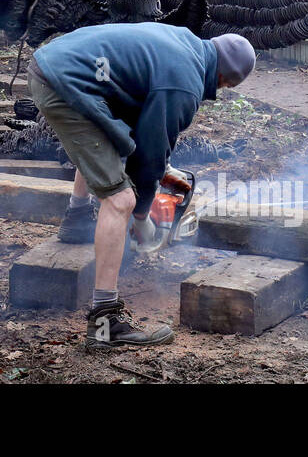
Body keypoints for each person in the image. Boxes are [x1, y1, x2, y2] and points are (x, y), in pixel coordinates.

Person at [27, 23, 256, 349]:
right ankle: (105, 323)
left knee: (106, 143)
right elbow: (147, 158)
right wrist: (142, 219)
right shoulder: (185, 85)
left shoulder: (185, 43)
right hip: (64, 83)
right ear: (224, 80)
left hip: (58, 64)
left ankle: (77, 219)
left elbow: (142, 132)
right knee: (120, 200)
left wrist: (162, 168)